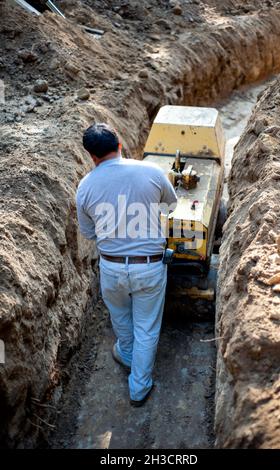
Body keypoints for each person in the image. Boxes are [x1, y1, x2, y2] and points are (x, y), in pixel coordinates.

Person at [76, 123, 177, 407]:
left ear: (91, 156)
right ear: (120, 144)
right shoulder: (151, 172)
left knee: (120, 318)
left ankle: (128, 354)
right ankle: (139, 386)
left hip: (111, 267)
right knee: (146, 326)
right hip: (149, 267)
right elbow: (171, 206)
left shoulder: (85, 186)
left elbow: (89, 232)